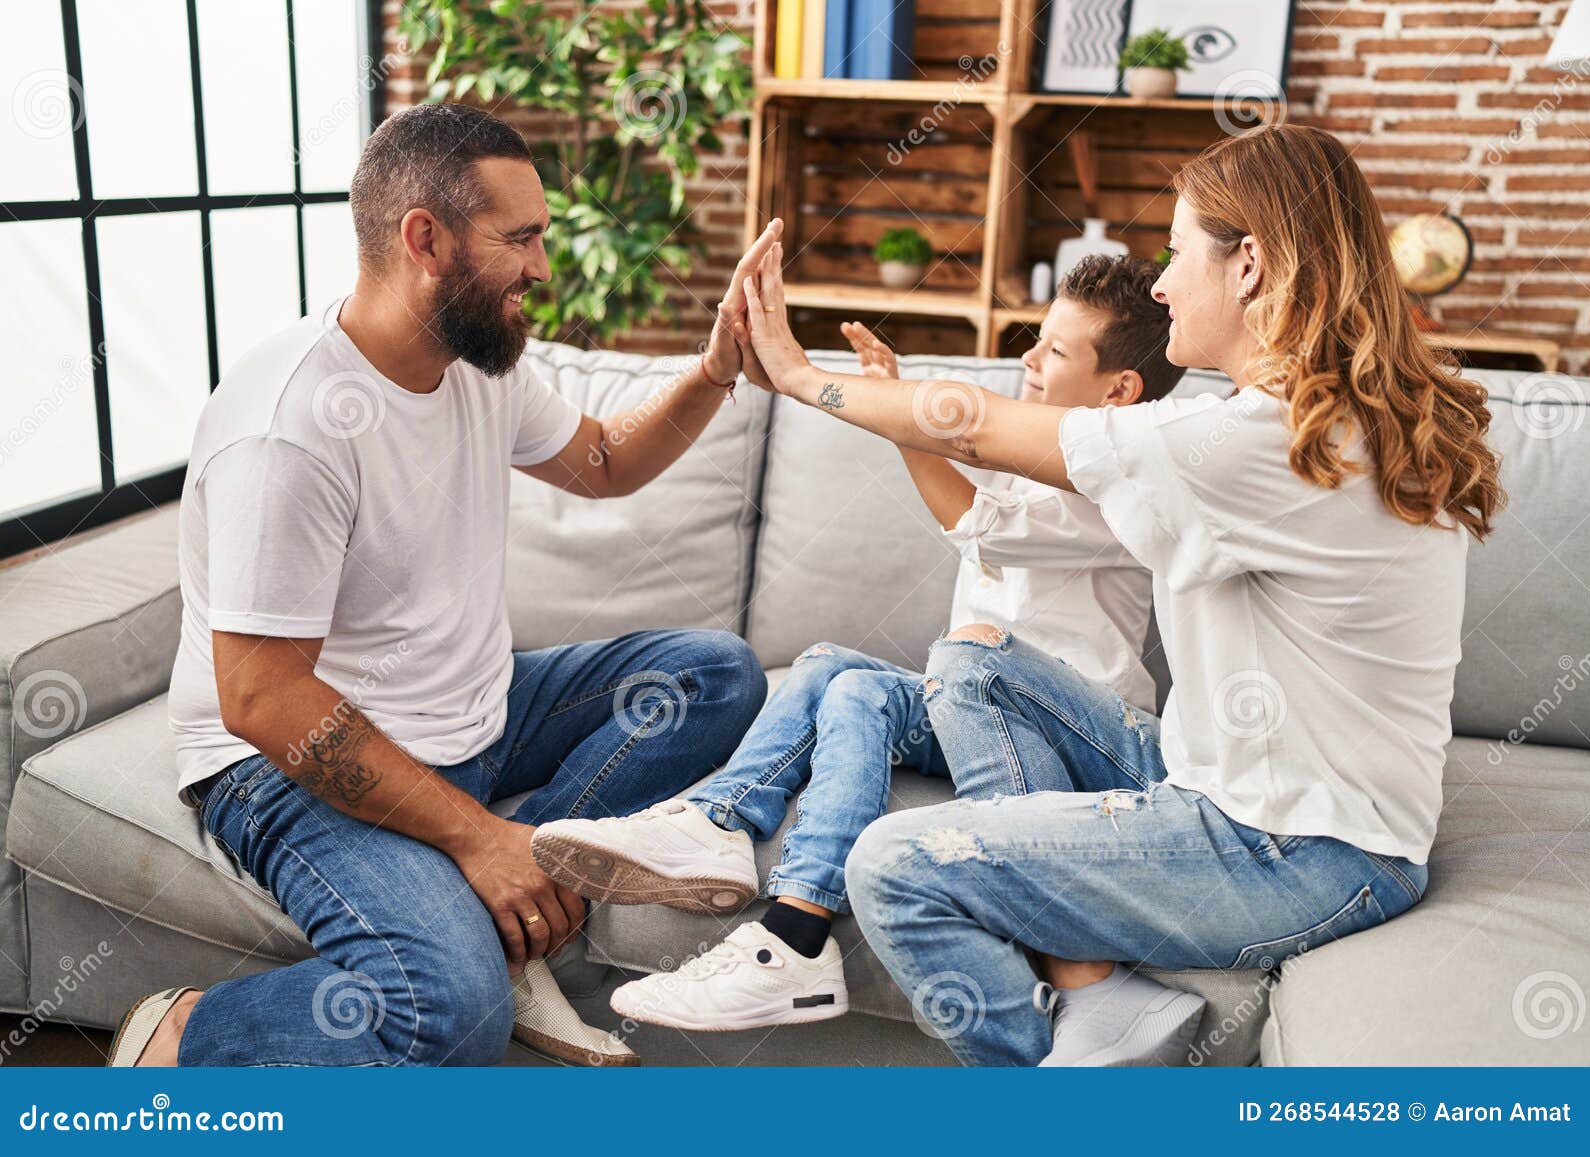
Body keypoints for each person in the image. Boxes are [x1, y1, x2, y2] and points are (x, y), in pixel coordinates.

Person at [730, 123, 1505, 1066]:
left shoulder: (1261, 444)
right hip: (1243, 789)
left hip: (1301, 850)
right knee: (975, 654)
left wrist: (803, 377)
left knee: (895, 863)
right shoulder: (1315, 416)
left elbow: (974, 428)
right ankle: (1087, 988)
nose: (1165, 282)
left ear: (1251, 264)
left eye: (1178, 253)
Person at [106, 104, 777, 1068]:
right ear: (426, 237)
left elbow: (602, 462)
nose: (543, 268)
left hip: (475, 716)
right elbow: (261, 698)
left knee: (714, 672)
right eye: (521, 239)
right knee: (453, 1013)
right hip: (282, 761)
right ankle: (183, 1031)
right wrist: (477, 840)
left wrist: (714, 370)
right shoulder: (290, 428)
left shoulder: (476, 363)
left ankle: (519, 884)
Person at [524, 256, 1186, 1035]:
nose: (1028, 361)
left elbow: (973, 517)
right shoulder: (1032, 457)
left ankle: (791, 934)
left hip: (1067, 728)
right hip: (972, 703)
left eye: (1055, 352)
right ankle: (723, 834)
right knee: (834, 668)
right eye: (1034, 343)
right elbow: (972, 486)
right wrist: (900, 412)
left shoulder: (1119, 481)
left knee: (863, 688)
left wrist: (879, 407)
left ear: (1120, 391)